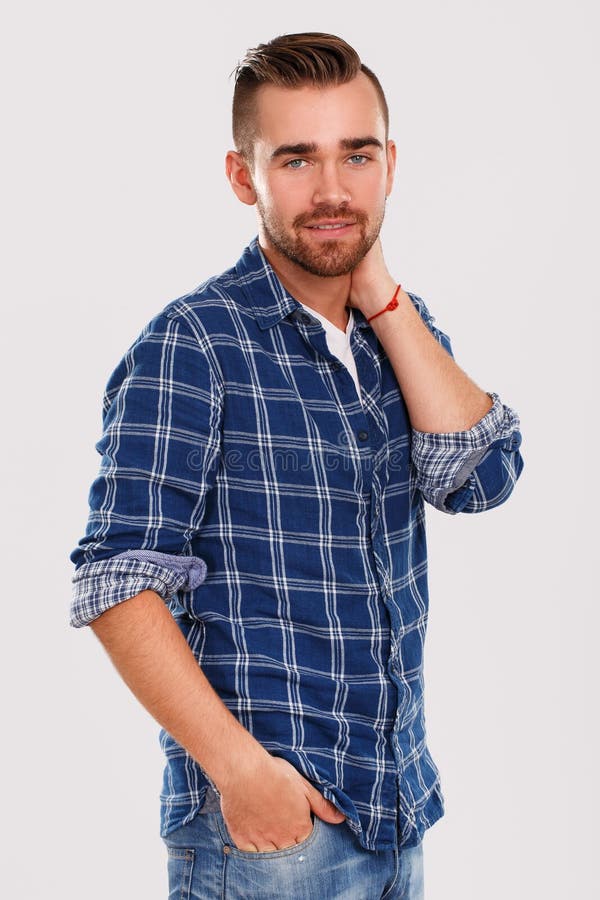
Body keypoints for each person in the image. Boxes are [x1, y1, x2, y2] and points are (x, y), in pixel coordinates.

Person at [70, 32, 523, 900]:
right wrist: (242, 775)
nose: (331, 192)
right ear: (245, 177)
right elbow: (117, 581)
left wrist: (384, 298)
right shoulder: (193, 344)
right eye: (296, 160)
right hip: (272, 840)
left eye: (356, 156)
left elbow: (482, 477)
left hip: (398, 818)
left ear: (389, 164)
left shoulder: (398, 326)